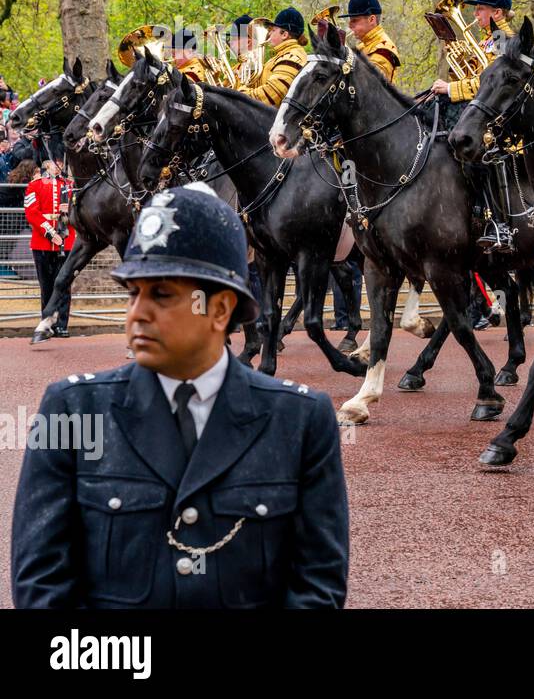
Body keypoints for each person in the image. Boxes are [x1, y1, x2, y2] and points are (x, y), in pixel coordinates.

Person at [10, 183, 349, 608]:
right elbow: (42, 588)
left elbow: (317, 588)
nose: (137, 314)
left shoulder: (301, 421)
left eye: (163, 295)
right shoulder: (72, 412)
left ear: (221, 309)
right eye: (134, 293)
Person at [432, 0, 516, 251]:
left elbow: (488, 85)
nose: (475, 15)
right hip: (486, 116)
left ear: (498, 13)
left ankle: (497, 222)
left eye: (480, 10)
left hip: (503, 121)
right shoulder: (489, 41)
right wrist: (458, 59)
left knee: (480, 150)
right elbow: (476, 78)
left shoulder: (506, 41)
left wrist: (450, 87)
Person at [25, 156, 74, 339]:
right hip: (42, 240)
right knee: (46, 285)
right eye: (56, 163)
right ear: (46, 166)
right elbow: (32, 212)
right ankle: (47, 323)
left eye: (60, 164)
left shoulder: (69, 186)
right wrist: (50, 232)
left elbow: (79, 210)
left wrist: (67, 214)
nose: (59, 166)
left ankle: (62, 324)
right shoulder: (35, 185)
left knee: (64, 285)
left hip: (66, 239)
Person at [240, 8, 307, 108]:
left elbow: (271, 95)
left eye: (273, 30)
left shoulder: (292, 57)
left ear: (284, 34)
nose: (269, 34)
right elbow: (260, 85)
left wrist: (240, 94)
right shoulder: (281, 55)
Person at [339, 0, 400, 82]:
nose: (350, 25)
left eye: (354, 20)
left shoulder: (384, 50)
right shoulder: (363, 45)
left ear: (371, 19)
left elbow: (367, 86)